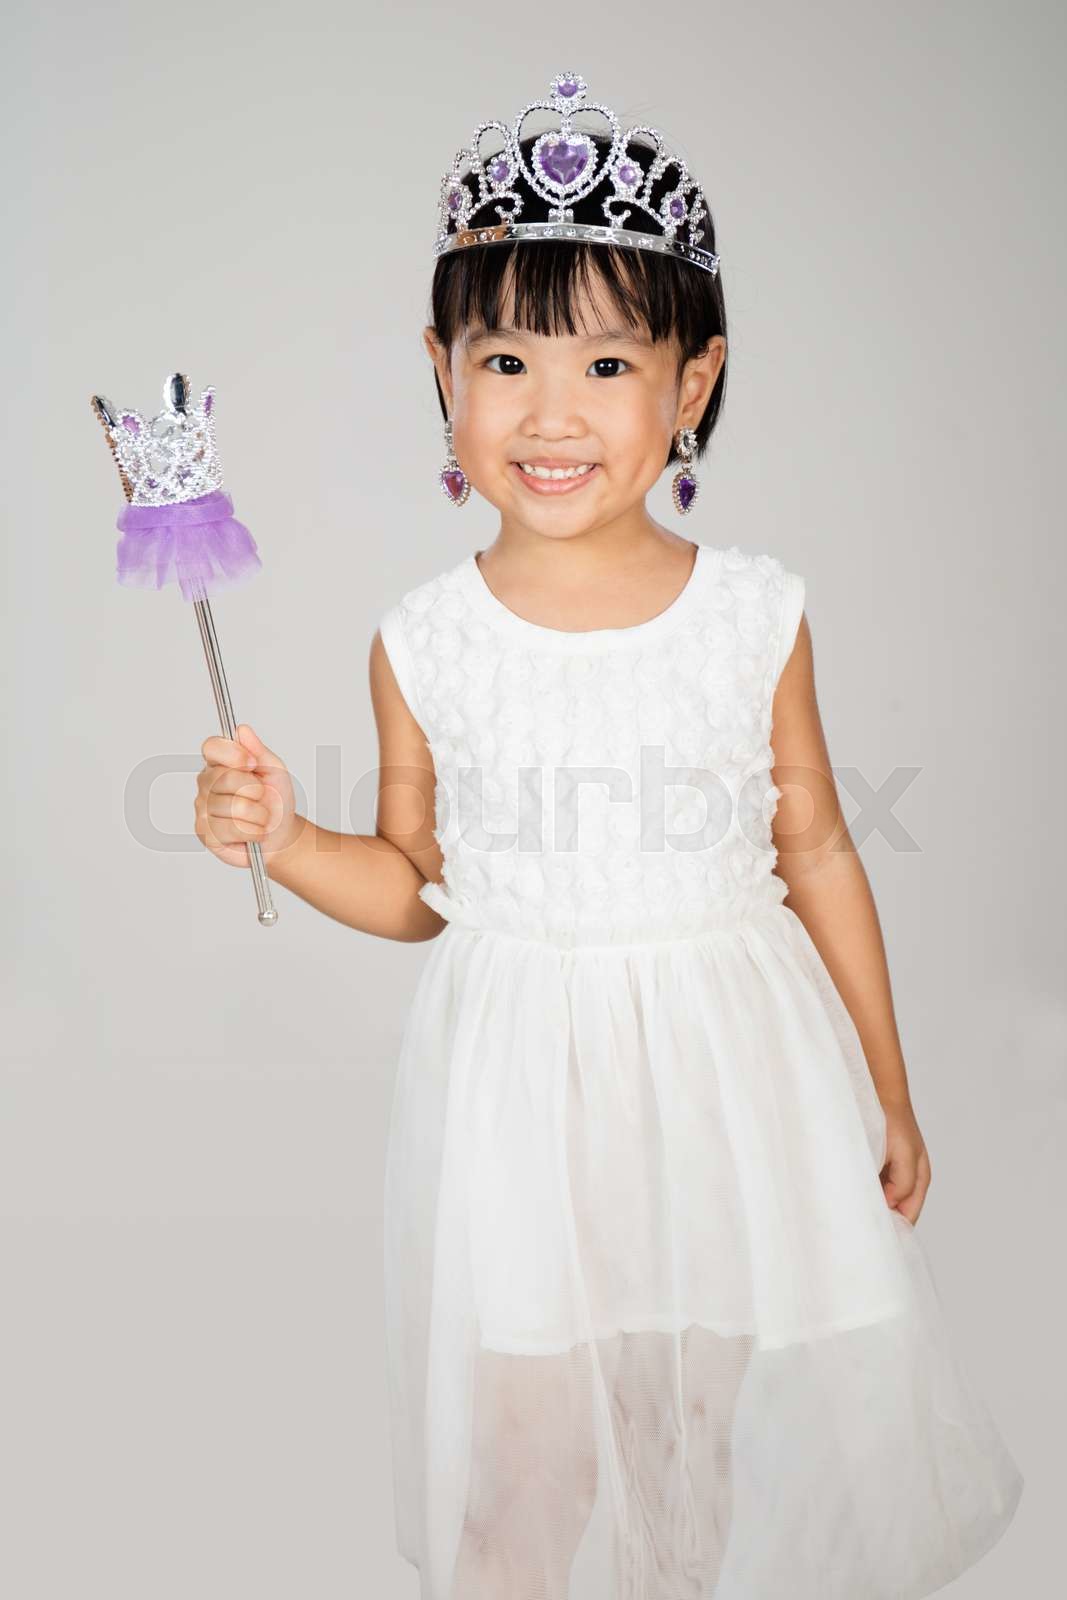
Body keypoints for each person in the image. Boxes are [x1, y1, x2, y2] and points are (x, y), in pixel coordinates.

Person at [193, 69, 1023, 1600]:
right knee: (525, 1472)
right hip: (526, 1098)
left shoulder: (753, 614)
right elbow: (416, 885)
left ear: (690, 385)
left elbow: (822, 849)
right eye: (505, 356)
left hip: (722, 1080)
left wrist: (887, 1087)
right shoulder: (424, 640)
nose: (551, 412)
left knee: (683, 1451)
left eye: (606, 362)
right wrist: (286, 837)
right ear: (440, 370)